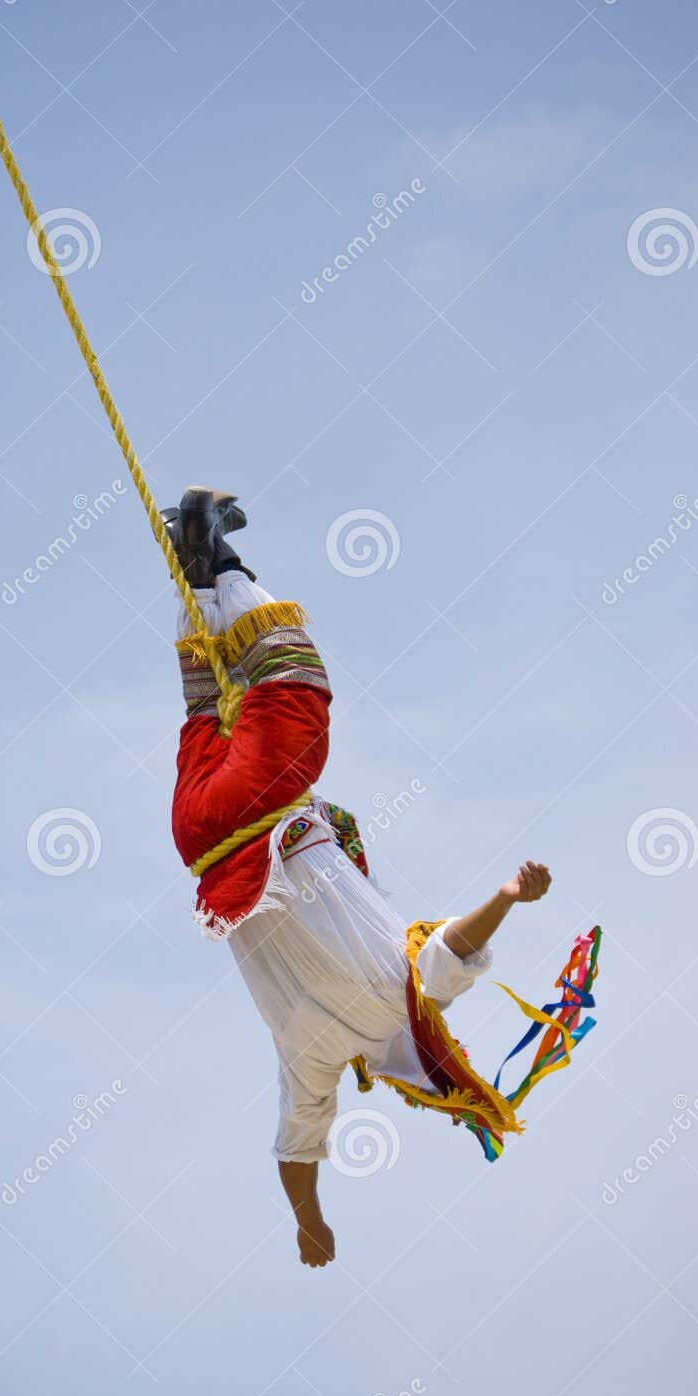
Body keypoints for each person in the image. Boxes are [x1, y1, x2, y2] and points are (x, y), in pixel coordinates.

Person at [163, 488, 552, 1270]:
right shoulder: (311, 1059)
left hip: (264, 814)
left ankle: (220, 556)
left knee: (294, 678)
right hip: (199, 839)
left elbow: (452, 946)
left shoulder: (408, 993)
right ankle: (196, 564)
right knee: (207, 695)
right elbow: (295, 1150)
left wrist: (507, 899)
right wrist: (307, 1223)